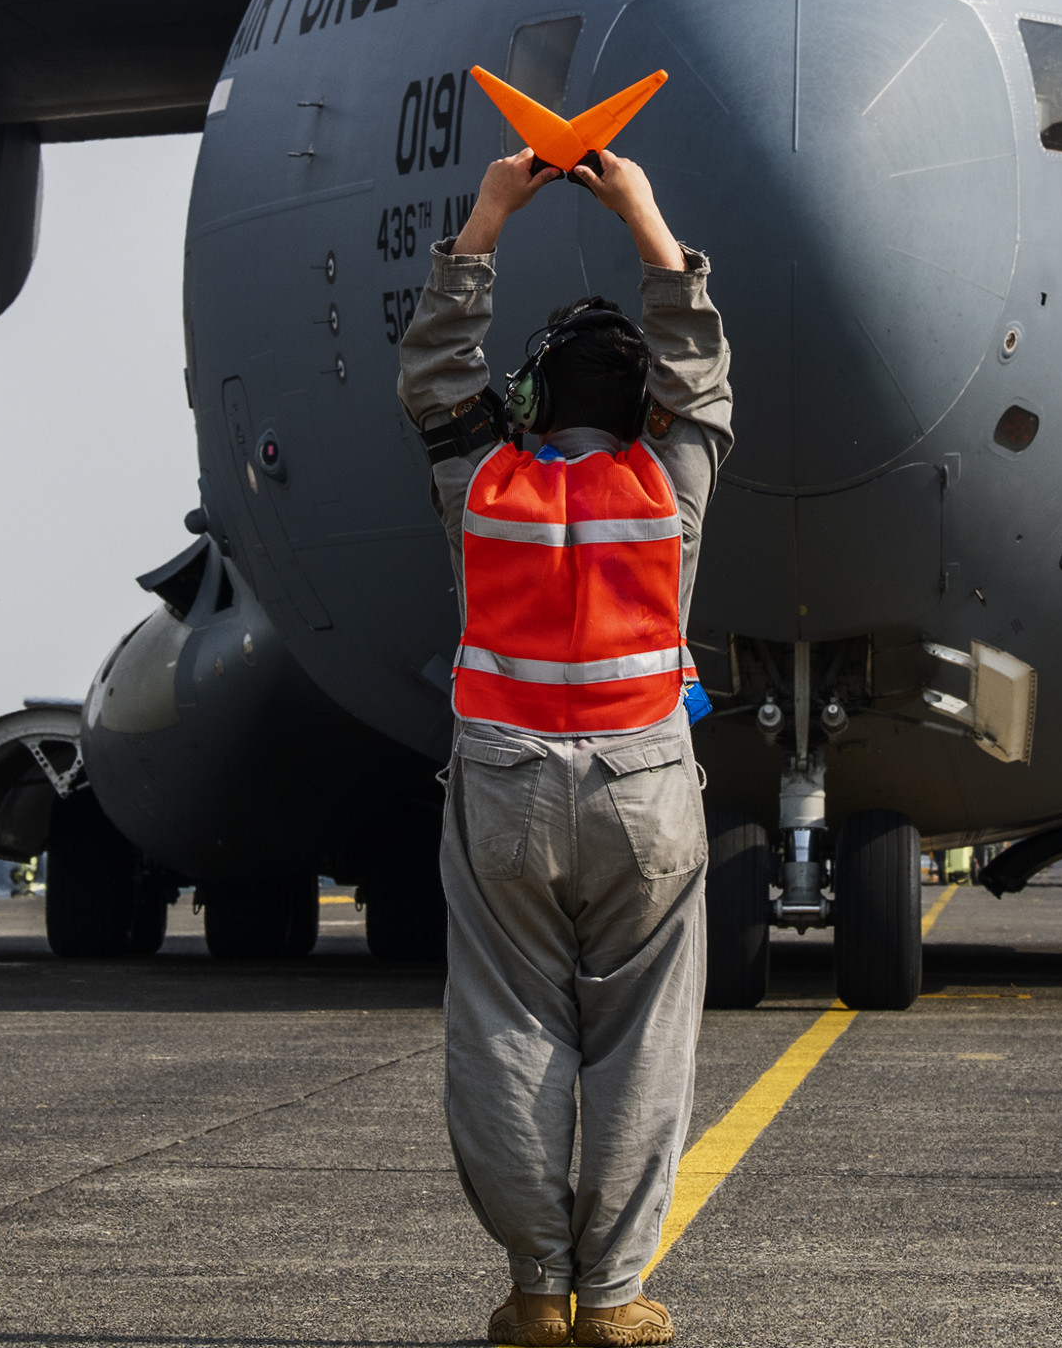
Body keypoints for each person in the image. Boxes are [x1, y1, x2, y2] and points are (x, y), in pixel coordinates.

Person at [397, 141, 732, 1348]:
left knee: (505, 1024)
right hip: (646, 781)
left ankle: (538, 1289)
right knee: (645, 1040)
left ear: (532, 405)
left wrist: (487, 215)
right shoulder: (669, 486)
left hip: (502, 780)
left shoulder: (485, 485)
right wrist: (645, 215)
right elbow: (702, 373)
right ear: (641, 410)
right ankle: (621, 1295)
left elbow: (437, 376)